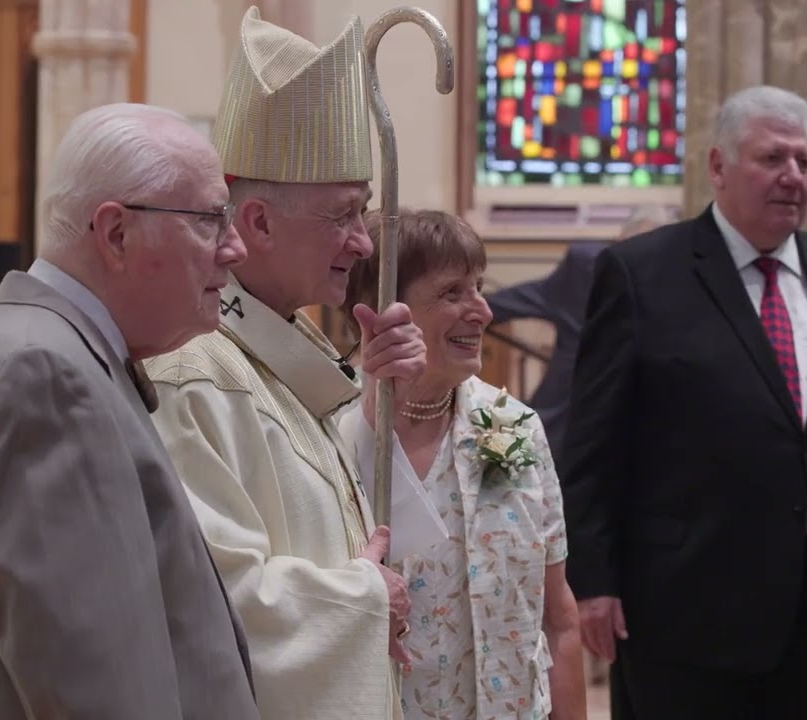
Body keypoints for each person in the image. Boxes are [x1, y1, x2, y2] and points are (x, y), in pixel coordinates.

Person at [561, 84, 807, 720]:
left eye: (804, 162)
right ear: (718, 167)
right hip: (684, 613)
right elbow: (594, 446)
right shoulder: (643, 275)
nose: (793, 177)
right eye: (772, 158)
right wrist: (593, 582)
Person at [0, 103, 259, 719]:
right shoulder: (42, 378)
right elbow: (99, 694)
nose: (234, 249)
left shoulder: (46, 350)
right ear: (117, 234)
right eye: (209, 220)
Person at [144, 8, 424, 720]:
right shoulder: (193, 373)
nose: (363, 243)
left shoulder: (282, 347)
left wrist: (384, 395)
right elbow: (215, 599)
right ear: (259, 223)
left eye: (364, 214)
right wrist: (365, 601)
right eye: (343, 215)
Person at [338, 209, 586, 719]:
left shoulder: (511, 427)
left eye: (478, 287)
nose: (483, 311)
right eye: (453, 293)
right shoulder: (326, 429)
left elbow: (558, 618)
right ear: (384, 309)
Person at [485, 205, 674, 468]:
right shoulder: (585, 268)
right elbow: (524, 299)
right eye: (637, 247)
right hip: (569, 418)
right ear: (620, 240)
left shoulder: (675, 285)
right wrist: (470, 311)